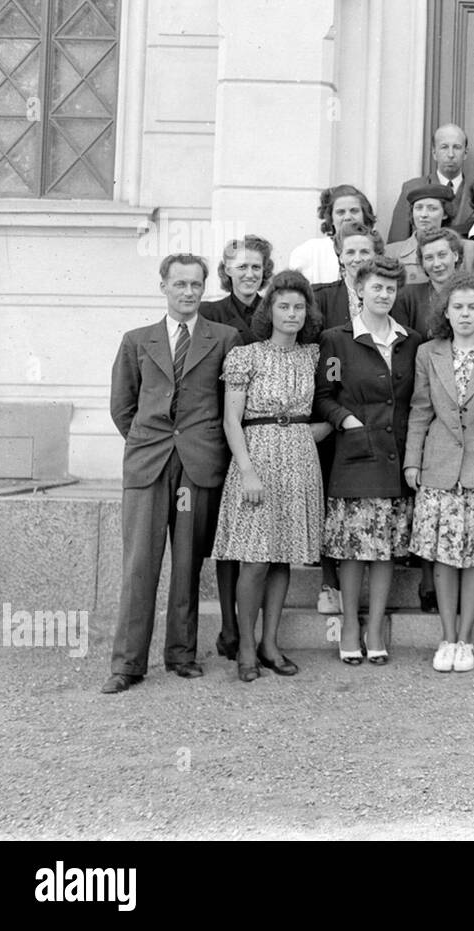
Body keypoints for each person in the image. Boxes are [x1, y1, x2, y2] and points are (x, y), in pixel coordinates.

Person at [102, 254, 241, 693]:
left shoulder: (225, 338)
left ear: (204, 288)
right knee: (140, 563)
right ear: (163, 286)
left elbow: (229, 404)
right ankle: (127, 664)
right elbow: (123, 406)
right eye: (179, 284)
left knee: (186, 562)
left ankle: (181, 654)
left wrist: (197, 447)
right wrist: (149, 443)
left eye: (196, 284)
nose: (188, 292)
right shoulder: (137, 340)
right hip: (149, 465)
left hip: (196, 465)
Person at [212, 270, 330, 682]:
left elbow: (334, 403)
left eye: (299, 307)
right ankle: (245, 644)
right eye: (284, 306)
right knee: (255, 558)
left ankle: (270, 643)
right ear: (270, 310)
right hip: (257, 456)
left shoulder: (313, 356)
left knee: (282, 557)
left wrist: (315, 430)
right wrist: (247, 470)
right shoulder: (247, 355)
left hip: (299, 457)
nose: (292, 313)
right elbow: (231, 420)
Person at [405, 273, 474, 673]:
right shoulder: (428, 353)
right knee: (444, 557)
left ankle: (466, 639)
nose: (465, 314)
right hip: (439, 467)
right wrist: (412, 461)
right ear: (446, 312)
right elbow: (420, 409)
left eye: (473, 307)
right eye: (458, 307)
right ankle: (446, 636)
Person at [314, 256, 422, 666]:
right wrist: (350, 422)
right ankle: (350, 626)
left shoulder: (410, 339)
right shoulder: (336, 340)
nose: (383, 294)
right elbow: (324, 395)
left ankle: (375, 627)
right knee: (353, 550)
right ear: (358, 289)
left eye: (391, 288)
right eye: (376, 287)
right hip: (356, 453)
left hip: (394, 455)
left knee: (385, 550)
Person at [200, 235, 274, 662]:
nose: (249, 273)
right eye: (241, 266)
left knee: (259, 540)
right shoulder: (211, 314)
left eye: (256, 266)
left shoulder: (273, 311)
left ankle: (251, 629)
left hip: (263, 438)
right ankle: (229, 627)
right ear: (226, 270)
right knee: (228, 538)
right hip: (223, 436)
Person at [388, 122, 474, 241]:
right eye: (444, 147)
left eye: (457, 147)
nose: (450, 154)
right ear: (434, 153)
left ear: (465, 153)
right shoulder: (412, 188)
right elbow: (397, 243)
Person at [386, 184, 474, 285]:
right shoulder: (391, 252)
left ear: (445, 214)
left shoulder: (467, 248)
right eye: (418, 208)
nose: (424, 215)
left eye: (432, 208)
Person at [289, 184, 378, 286]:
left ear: (364, 216)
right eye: (340, 212)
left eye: (354, 211)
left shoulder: (375, 250)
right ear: (330, 218)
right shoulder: (308, 251)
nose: (348, 217)